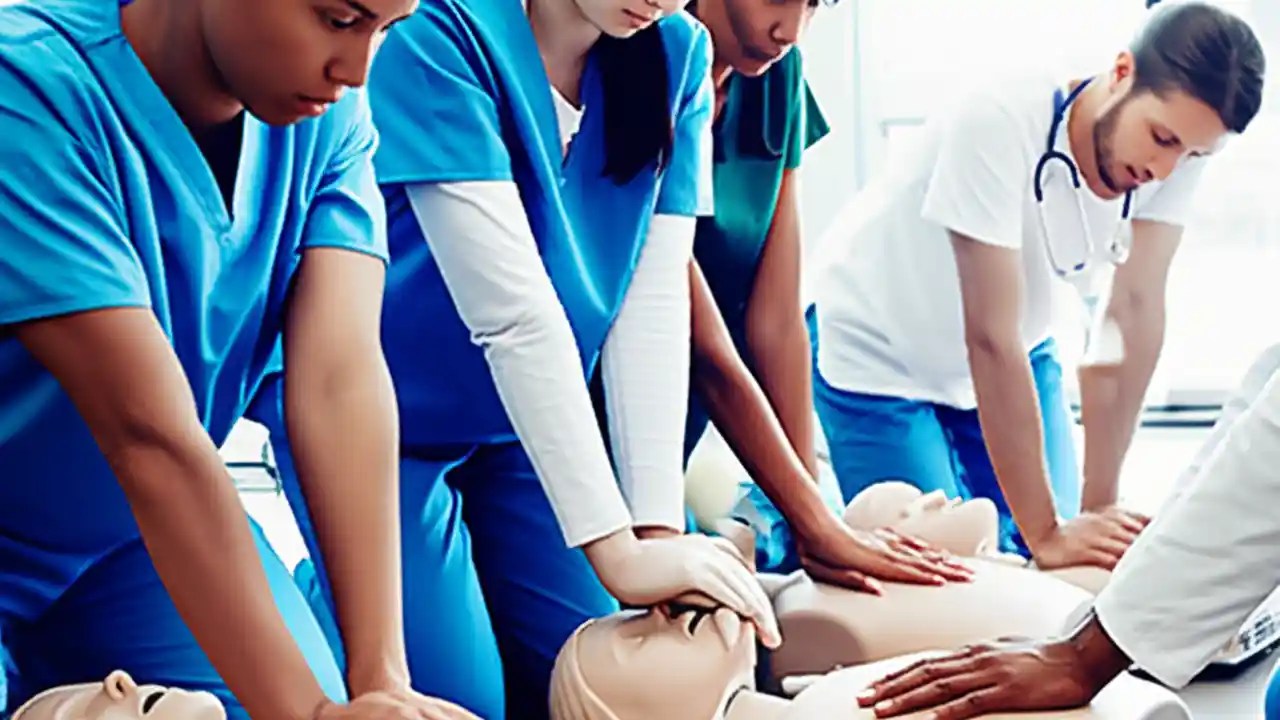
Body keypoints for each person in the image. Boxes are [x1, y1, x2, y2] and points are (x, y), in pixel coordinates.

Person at [249, 0, 779, 718]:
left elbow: (650, 304)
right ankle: (328, 605)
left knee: (596, 675)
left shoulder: (676, 53)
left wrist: (654, 536)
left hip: (524, 430)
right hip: (378, 430)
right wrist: (616, 552)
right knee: (461, 704)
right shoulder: (433, 29)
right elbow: (513, 316)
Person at [0, 0, 480, 718]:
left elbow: (339, 378)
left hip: (125, 544)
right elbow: (149, 439)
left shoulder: (328, 122)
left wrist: (381, 682)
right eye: (340, 18)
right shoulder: (27, 90)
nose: (355, 71)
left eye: (387, 29)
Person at [849, 9, 1267, 715]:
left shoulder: (1176, 153)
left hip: (1025, 340)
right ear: (1122, 73)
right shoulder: (998, 119)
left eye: (1191, 157)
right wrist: (1044, 528)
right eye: (1162, 138)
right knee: (937, 582)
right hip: (885, 356)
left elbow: (1133, 315)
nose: (1163, 170)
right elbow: (989, 336)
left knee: (1057, 580)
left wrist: (1096, 507)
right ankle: (777, 522)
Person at [593, 0, 975, 592]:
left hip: (674, 438)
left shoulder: (777, 76)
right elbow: (699, 343)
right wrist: (813, 518)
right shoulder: (630, 63)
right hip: (586, 427)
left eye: (815, 4)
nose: (790, 31)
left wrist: (809, 530)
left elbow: (775, 325)